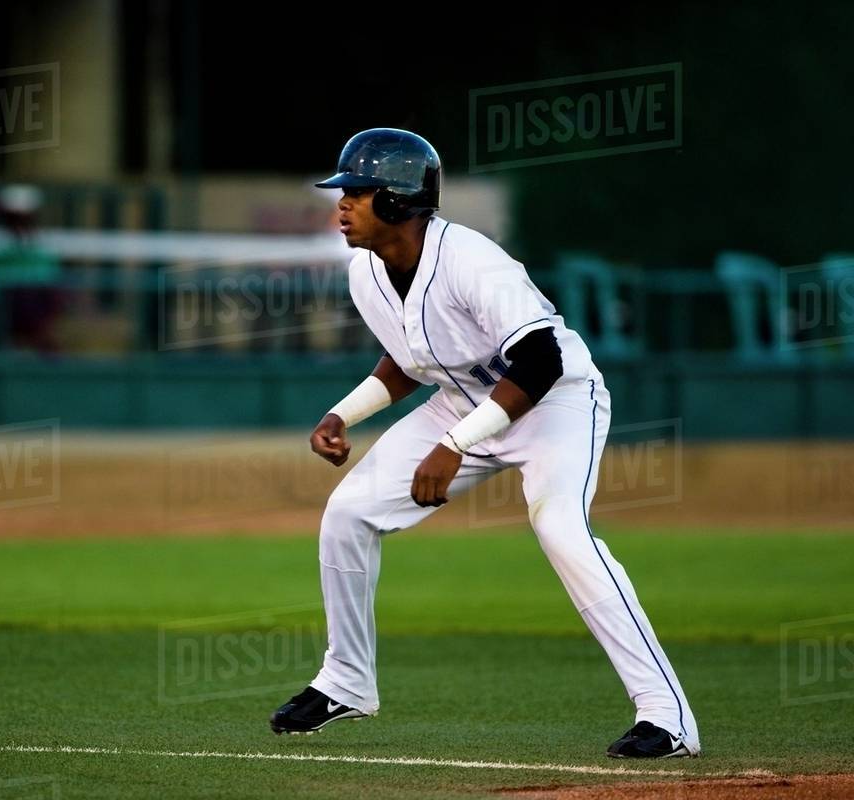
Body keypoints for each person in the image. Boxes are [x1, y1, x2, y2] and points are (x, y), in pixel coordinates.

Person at [268, 128, 700, 759]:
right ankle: (345, 683)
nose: (342, 203)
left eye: (357, 192)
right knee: (348, 513)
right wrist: (344, 413)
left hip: (554, 403)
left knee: (560, 528)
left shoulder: (472, 261)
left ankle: (667, 716)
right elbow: (412, 357)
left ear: (396, 201)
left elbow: (541, 360)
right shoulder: (366, 270)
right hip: (465, 401)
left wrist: (453, 444)